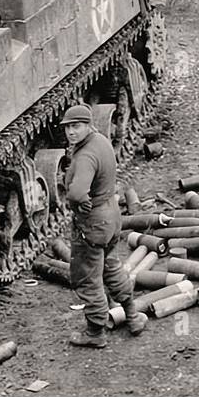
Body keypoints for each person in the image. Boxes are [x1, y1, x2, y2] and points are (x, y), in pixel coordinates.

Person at [61, 103, 146, 347]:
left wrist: (79, 203)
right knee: (110, 266)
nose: (71, 132)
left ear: (88, 125)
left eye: (76, 127)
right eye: (68, 128)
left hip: (93, 223)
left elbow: (77, 192)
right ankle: (132, 315)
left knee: (88, 276)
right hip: (111, 216)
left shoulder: (85, 155)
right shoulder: (101, 141)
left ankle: (96, 332)